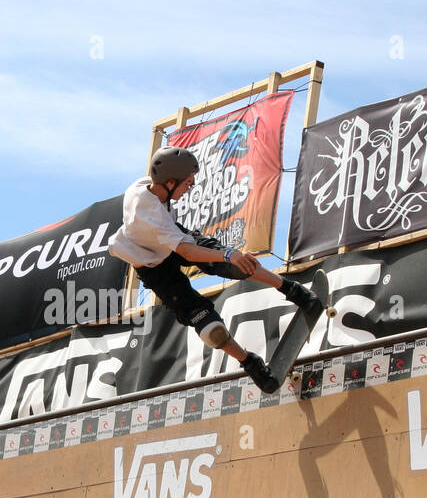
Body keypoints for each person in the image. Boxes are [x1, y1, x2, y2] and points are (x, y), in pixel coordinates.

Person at [108, 146, 325, 394]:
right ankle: (251, 364)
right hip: (155, 266)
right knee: (211, 330)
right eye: (187, 183)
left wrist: (231, 257)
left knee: (237, 263)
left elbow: (183, 242)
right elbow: (188, 253)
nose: (189, 187)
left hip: (168, 238)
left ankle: (293, 290)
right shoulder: (150, 215)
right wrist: (229, 255)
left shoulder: (145, 186)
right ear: (170, 182)